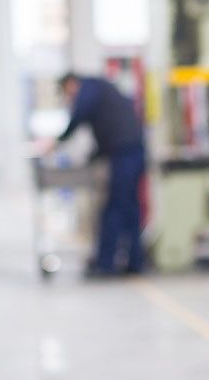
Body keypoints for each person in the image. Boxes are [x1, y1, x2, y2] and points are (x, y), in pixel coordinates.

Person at [55, 72, 146, 278]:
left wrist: (58, 140)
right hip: (128, 151)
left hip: (126, 153)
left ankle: (107, 263)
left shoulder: (89, 88)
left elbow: (79, 115)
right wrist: (94, 155)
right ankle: (134, 262)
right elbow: (105, 128)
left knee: (116, 208)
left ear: (71, 83)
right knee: (128, 208)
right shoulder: (99, 89)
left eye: (68, 93)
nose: (70, 98)